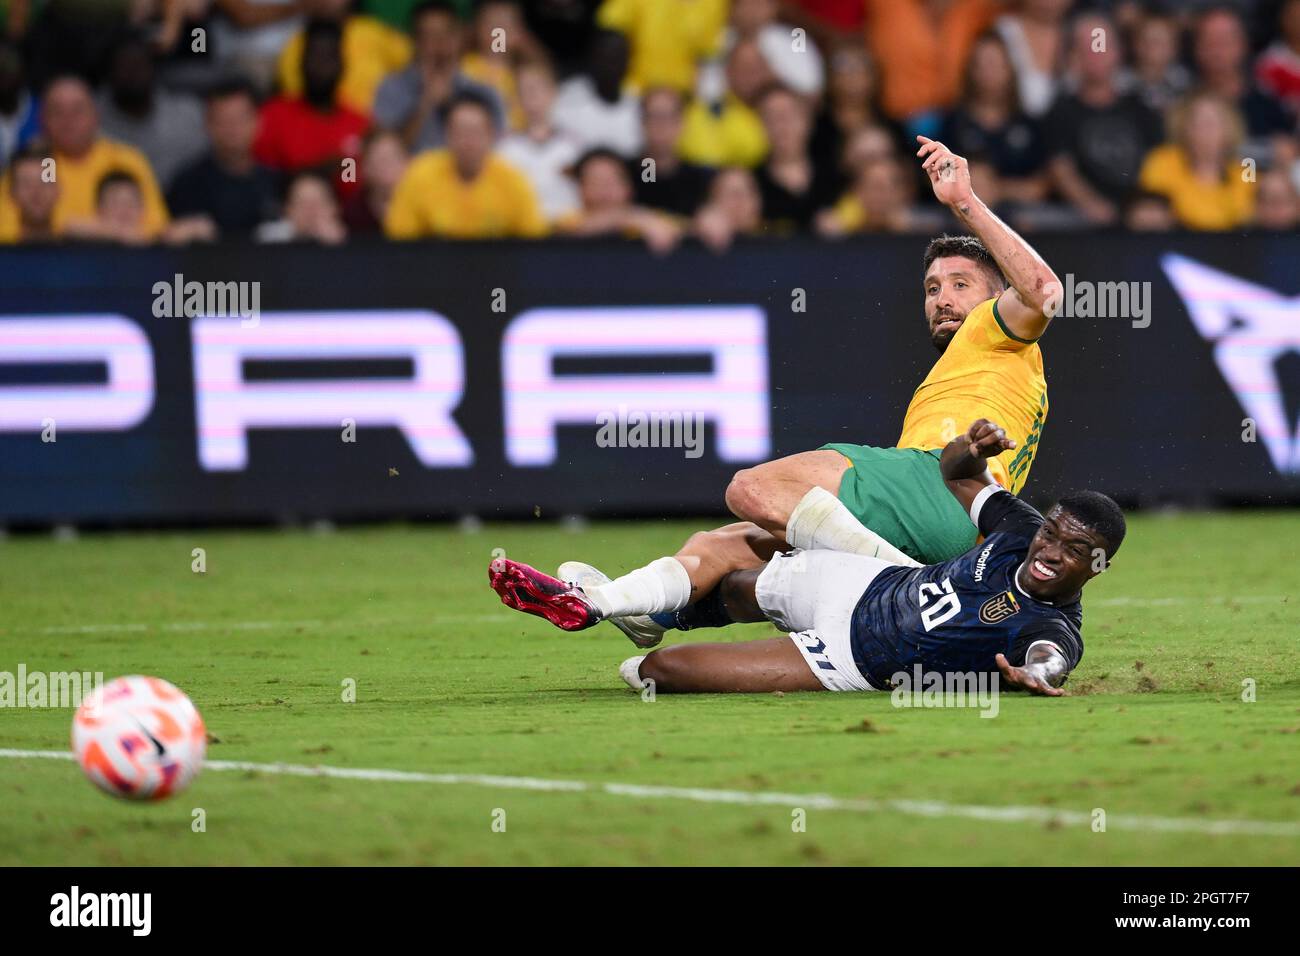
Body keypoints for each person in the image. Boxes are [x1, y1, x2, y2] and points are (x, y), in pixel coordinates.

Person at [556, 133, 1062, 650]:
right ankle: (643, 613)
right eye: (932, 288)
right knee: (727, 546)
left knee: (751, 491)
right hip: (957, 529)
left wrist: (964, 204)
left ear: (996, 297)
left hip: (942, 487)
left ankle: (906, 584)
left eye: (960, 284)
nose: (942, 299)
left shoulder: (994, 327)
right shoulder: (979, 369)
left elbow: (1045, 292)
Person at [489, 417, 1125, 697]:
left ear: (1096, 566)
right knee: (731, 568)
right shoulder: (1018, 529)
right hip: (864, 582)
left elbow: (1050, 660)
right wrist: (972, 446)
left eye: (1074, 551)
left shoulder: (1051, 628)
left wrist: (1038, 677)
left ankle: (643, 618)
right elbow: (958, 474)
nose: (1050, 552)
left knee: (656, 673)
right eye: (1053, 535)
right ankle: (606, 603)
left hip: (848, 661)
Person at [0, 75, 169, 239]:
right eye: (57, 111)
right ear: (42, 120)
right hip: (50, 261)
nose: (68, 120)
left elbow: (157, 228)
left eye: (78, 110)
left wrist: (89, 231)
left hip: (118, 260)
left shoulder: (125, 160)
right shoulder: (36, 163)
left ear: (95, 115)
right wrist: (72, 230)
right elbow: (7, 230)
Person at [384, 89, 546, 238]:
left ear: (491, 135)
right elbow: (400, 237)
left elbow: (532, 241)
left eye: (475, 132)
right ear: (447, 135)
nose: (468, 142)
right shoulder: (420, 174)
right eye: (460, 132)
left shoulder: (513, 180)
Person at [372, 0, 505, 152]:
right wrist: (426, 103)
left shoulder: (484, 92)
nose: (440, 45)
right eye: (430, 36)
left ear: (459, 38)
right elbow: (387, 156)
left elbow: (497, 152)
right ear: (415, 42)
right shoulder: (392, 88)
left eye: (446, 34)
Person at [253, 18, 369, 188]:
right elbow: (264, 181)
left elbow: (351, 184)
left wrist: (341, 169)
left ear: (342, 65)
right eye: (315, 55)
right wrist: (328, 168)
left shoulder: (358, 125)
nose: (321, 66)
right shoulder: (273, 115)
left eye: (329, 57)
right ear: (301, 62)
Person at [169, 78, 281, 237]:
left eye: (240, 119)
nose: (232, 129)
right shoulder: (187, 185)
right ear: (208, 125)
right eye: (223, 121)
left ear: (258, 122)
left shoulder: (276, 184)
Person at [1137, 91, 1254, 232]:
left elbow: (1249, 213)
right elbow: (1151, 211)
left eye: (1212, 123)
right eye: (1197, 123)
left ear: (1229, 129)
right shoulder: (1162, 161)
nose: (1205, 131)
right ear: (1184, 128)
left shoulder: (1246, 168)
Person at [0, 141, 59, 242]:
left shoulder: (80, 251)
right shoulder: (4, 253)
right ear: (12, 192)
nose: (36, 192)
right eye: (26, 184)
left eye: (44, 182)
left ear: (57, 190)